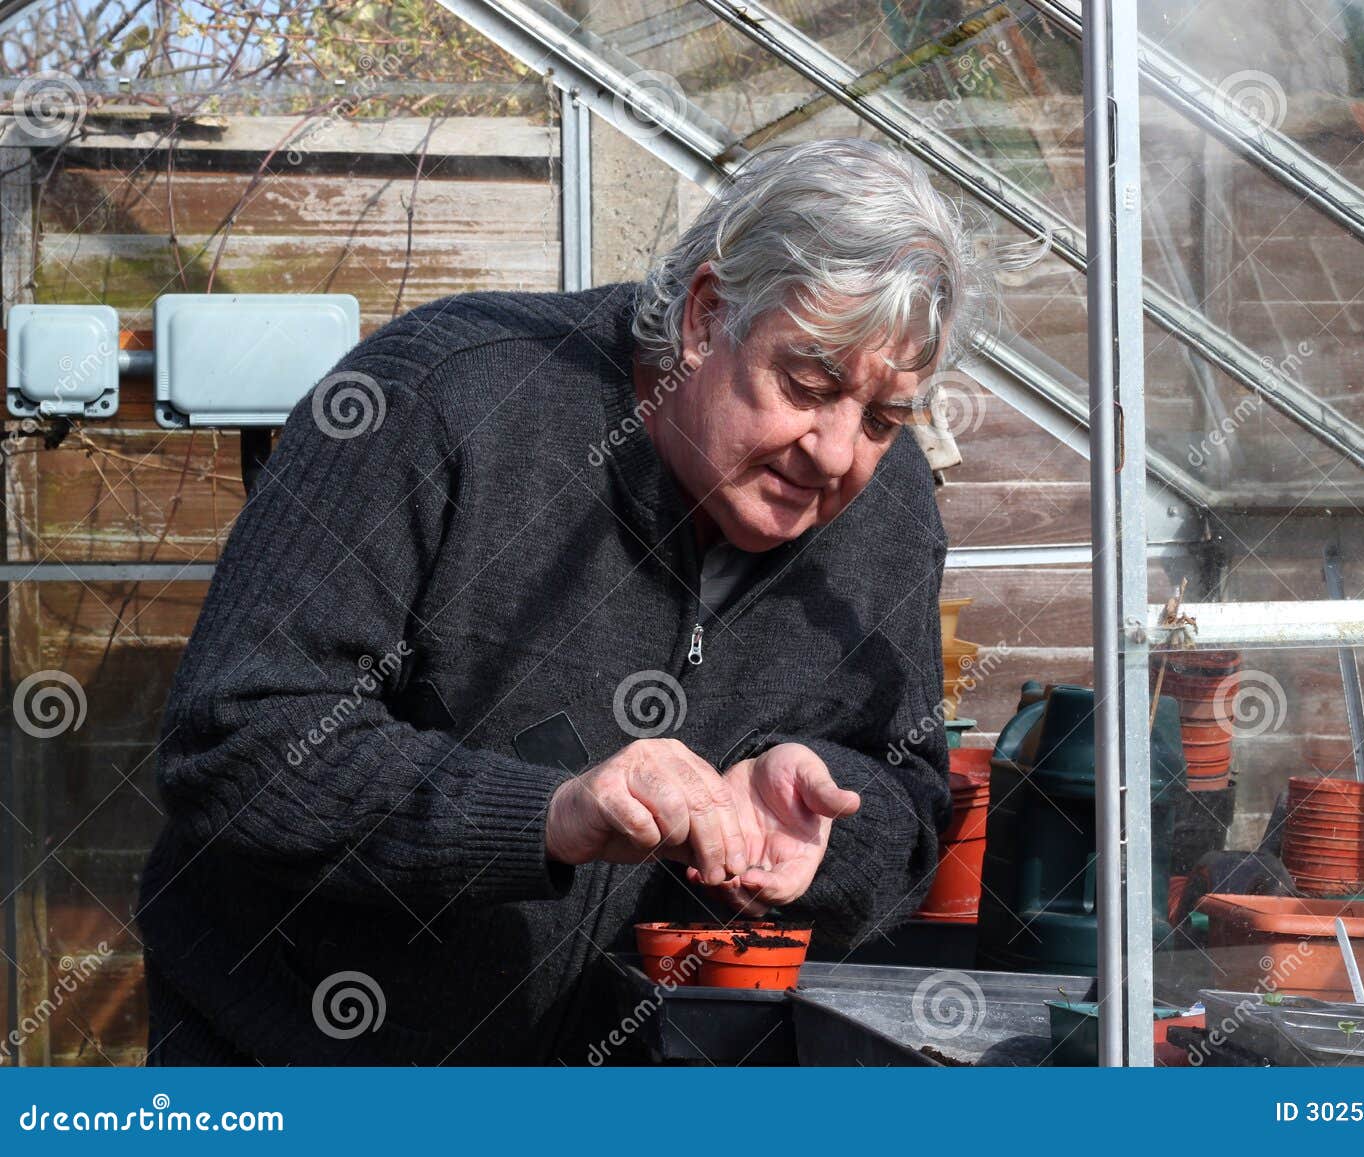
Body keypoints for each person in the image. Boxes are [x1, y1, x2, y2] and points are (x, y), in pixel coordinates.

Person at [137, 137, 993, 1064]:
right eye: (808, 384)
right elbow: (237, 741)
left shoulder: (890, 512)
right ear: (706, 317)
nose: (836, 452)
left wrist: (826, 827)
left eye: (880, 416)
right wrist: (549, 814)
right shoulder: (436, 399)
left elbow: (907, 803)